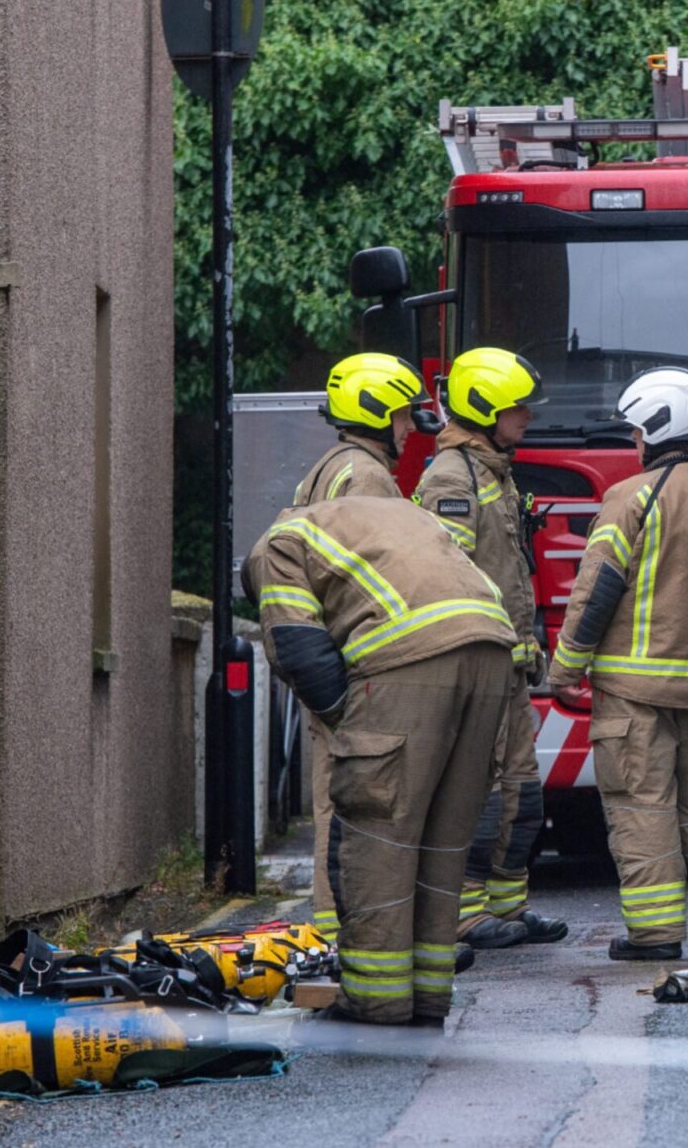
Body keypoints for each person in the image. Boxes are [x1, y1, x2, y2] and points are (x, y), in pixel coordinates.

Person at [244, 495, 517, 1024]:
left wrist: (350, 729)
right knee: (443, 837)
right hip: (492, 649)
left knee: (378, 836)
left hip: (409, 654)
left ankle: (377, 1002)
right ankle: (429, 997)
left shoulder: (278, 546)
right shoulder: (389, 515)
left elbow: (297, 645)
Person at [547, 367, 688, 961]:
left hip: (635, 693)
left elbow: (596, 591)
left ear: (655, 428)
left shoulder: (631, 498)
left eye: (637, 431)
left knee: (642, 810)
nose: (634, 441)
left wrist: (564, 668)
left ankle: (656, 935)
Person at [413, 348, 567, 950]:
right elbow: (447, 576)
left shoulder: (494, 472)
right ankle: (465, 912)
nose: (528, 416)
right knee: (480, 794)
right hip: (478, 670)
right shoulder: (452, 478)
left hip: (509, 669)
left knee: (521, 797)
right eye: (517, 407)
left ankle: (508, 904)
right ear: (484, 411)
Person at [290, 353, 442, 943]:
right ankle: (348, 932)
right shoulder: (367, 478)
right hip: (360, 663)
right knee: (359, 801)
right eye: (402, 416)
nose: (408, 429)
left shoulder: (328, 468)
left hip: (330, 657)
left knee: (335, 797)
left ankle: (336, 930)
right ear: (375, 412)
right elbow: (380, 573)